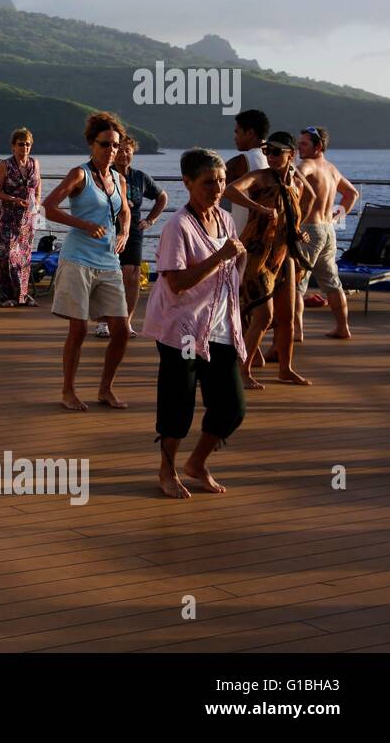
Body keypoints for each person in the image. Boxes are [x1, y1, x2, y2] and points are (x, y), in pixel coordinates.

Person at [142, 148, 247, 499]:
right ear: (187, 183)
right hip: (182, 330)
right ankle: (167, 468)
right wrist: (219, 258)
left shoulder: (225, 219)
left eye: (221, 181)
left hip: (220, 328)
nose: (217, 188)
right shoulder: (178, 227)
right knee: (178, 406)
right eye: (208, 182)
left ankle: (197, 462)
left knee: (232, 407)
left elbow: (234, 268)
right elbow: (175, 283)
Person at [42, 111, 132, 412]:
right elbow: (49, 207)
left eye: (116, 145)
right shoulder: (79, 174)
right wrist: (83, 224)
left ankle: (106, 389)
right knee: (78, 331)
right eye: (105, 144)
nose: (111, 151)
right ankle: (68, 390)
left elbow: (125, 211)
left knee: (120, 329)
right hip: (78, 259)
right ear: (92, 145)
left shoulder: (119, 178)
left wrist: (125, 233)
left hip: (109, 261)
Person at [222, 131, 316, 389]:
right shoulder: (260, 177)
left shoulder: (294, 182)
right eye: (267, 151)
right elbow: (230, 190)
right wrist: (259, 208)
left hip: (285, 254)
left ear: (291, 154)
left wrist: (298, 227)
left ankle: (285, 369)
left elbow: (312, 197)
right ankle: (243, 370)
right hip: (258, 254)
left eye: (276, 152)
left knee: (287, 317)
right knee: (263, 316)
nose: (270, 157)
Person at [95, 134, 167, 338]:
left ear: (133, 152)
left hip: (133, 230)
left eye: (128, 150)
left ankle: (125, 321)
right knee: (106, 274)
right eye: (120, 149)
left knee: (132, 274)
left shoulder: (139, 177)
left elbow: (162, 196)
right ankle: (103, 322)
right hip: (107, 228)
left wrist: (150, 220)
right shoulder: (103, 174)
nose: (124, 154)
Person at [294, 126, 359, 340]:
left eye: (304, 143)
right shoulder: (331, 169)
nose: (298, 147)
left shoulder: (308, 165)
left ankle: (296, 332)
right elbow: (352, 194)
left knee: (296, 284)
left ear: (318, 146)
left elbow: (298, 177)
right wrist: (335, 217)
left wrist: (293, 181)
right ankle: (343, 328)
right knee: (332, 282)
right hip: (327, 230)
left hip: (309, 231)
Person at [0, 127, 42, 307]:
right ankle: (2, 294)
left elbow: (37, 186)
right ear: (13, 146)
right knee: (6, 255)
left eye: (27, 144)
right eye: (21, 144)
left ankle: (21, 295)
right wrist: (14, 200)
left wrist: (37, 205)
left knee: (24, 257)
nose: (24, 147)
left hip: (28, 218)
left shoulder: (34, 163)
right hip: (8, 216)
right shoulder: (5, 165)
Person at [222, 108, 269, 237]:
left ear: (250, 133)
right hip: (268, 233)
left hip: (244, 234)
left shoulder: (240, 162)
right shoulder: (278, 159)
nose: (235, 137)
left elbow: (215, 191)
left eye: (237, 132)